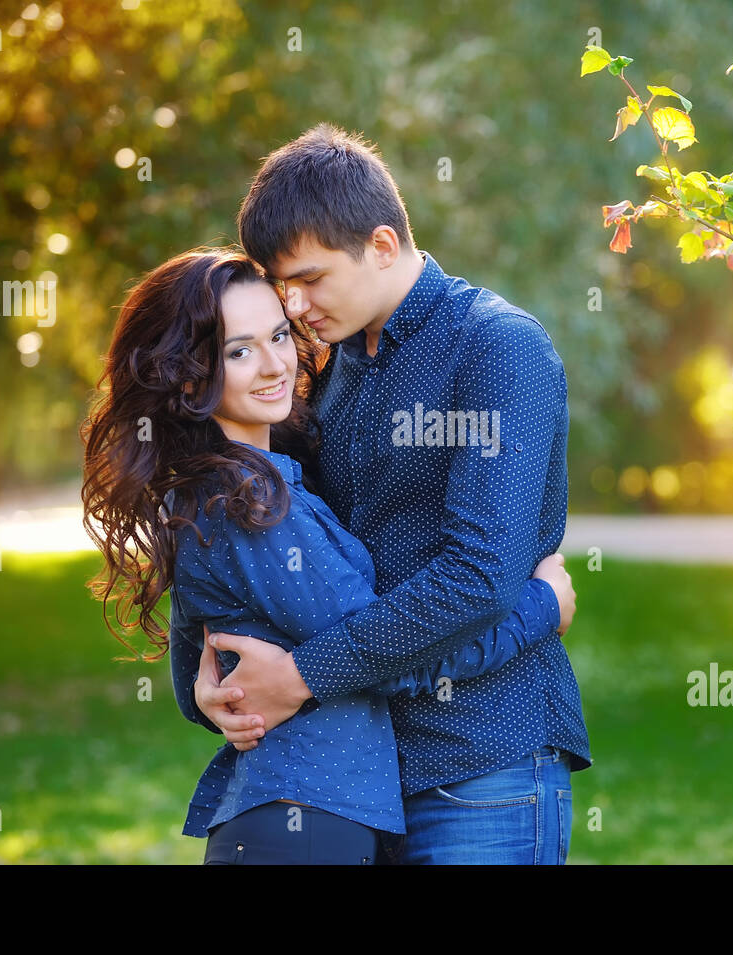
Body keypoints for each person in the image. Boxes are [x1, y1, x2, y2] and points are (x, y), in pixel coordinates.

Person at [81, 247, 576, 864]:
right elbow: (380, 647)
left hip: (323, 808)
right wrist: (541, 606)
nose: (275, 365)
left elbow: (195, 671)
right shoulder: (252, 501)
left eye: (280, 336)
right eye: (238, 351)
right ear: (189, 377)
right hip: (308, 815)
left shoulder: (221, 490)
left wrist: (217, 696)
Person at [194, 123, 592, 865]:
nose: (295, 304)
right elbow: (279, 551)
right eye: (283, 284)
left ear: (381, 244)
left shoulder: (497, 347)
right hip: (354, 782)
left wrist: (302, 677)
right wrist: (209, 679)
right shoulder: (330, 368)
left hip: (483, 765)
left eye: (310, 277)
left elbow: (476, 577)